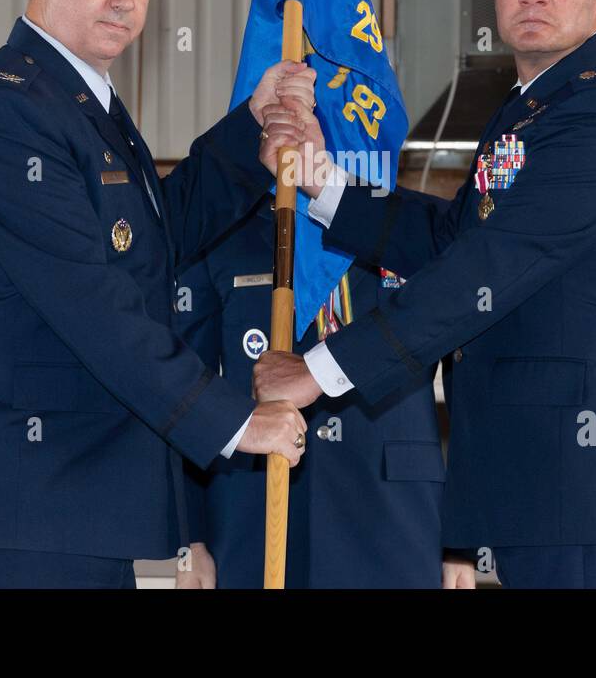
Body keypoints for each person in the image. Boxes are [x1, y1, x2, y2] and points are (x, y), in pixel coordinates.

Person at [254, 0, 596, 588]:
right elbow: (454, 237)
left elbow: (484, 269)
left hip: (592, 497)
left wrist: (318, 371)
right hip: (541, 492)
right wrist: (323, 182)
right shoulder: (532, 107)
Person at [0, 0, 315, 588]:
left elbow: (145, 243)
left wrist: (253, 126)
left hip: (64, 507)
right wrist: (233, 421)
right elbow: (93, 303)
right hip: (22, 509)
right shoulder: (13, 114)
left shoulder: (77, 101)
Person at [173, 197, 469, 588]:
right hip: (255, 513)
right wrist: (191, 541)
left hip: (396, 519)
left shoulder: (426, 223)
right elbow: (189, 391)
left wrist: (462, 543)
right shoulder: (221, 228)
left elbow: (467, 392)